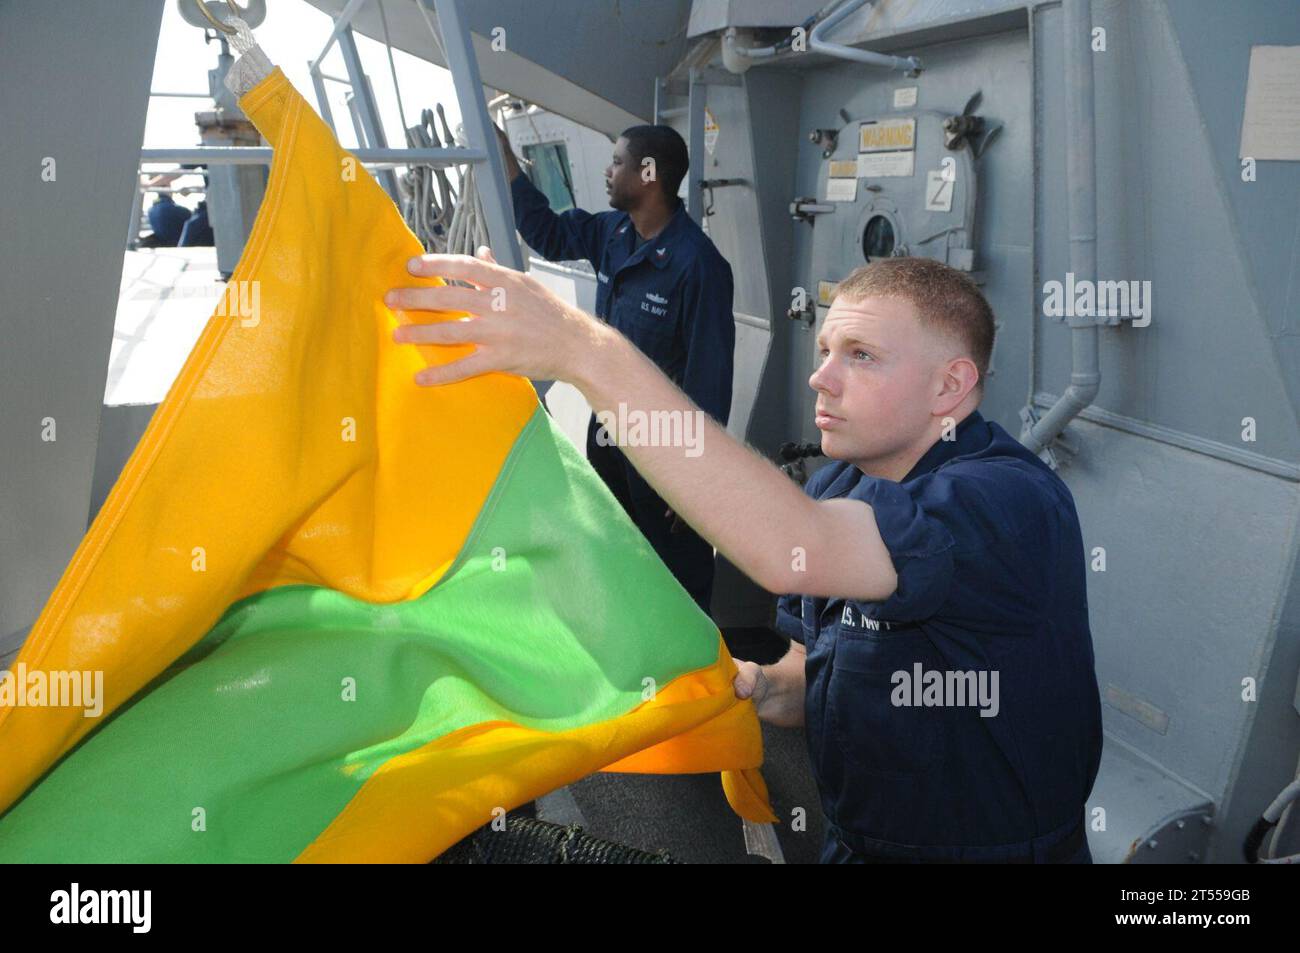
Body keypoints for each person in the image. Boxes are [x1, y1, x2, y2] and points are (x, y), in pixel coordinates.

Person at [385, 251, 1104, 864]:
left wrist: (582, 352)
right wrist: (751, 685)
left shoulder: (1004, 503)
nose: (822, 377)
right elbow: (811, 671)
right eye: (825, 351)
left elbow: (794, 550)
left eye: (861, 356)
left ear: (951, 386)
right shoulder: (845, 483)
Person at [496, 123, 734, 614]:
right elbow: (547, 233)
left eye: (618, 161)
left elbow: (709, 379)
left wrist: (696, 473)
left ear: (648, 174)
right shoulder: (612, 232)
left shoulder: (698, 265)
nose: (609, 171)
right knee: (613, 545)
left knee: (674, 570)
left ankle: (695, 675)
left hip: (663, 444)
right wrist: (509, 168)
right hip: (606, 427)